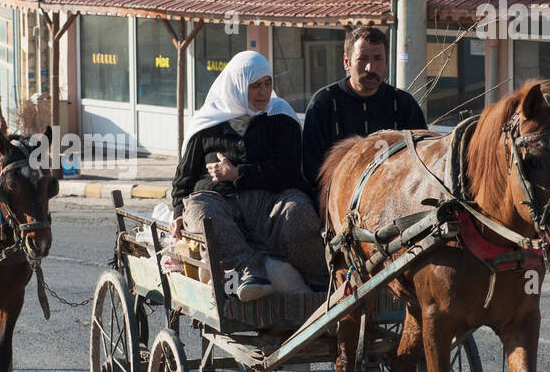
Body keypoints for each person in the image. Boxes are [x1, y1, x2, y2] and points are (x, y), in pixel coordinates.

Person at [170, 51, 327, 302]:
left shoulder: (281, 117)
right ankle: (250, 272)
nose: (263, 92)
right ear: (237, 85)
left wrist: (237, 174)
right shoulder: (208, 123)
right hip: (220, 204)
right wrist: (178, 211)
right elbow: (184, 178)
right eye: (255, 86)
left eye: (267, 84)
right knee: (199, 209)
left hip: (271, 204)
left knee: (299, 209)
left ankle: (322, 285)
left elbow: (287, 172)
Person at [300, 25, 427, 200]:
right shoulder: (324, 103)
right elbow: (313, 170)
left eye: (378, 59)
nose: (370, 68)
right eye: (363, 59)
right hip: (339, 199)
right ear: (347, 62)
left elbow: (422, 160)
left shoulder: (403, 104)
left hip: (394, 199)